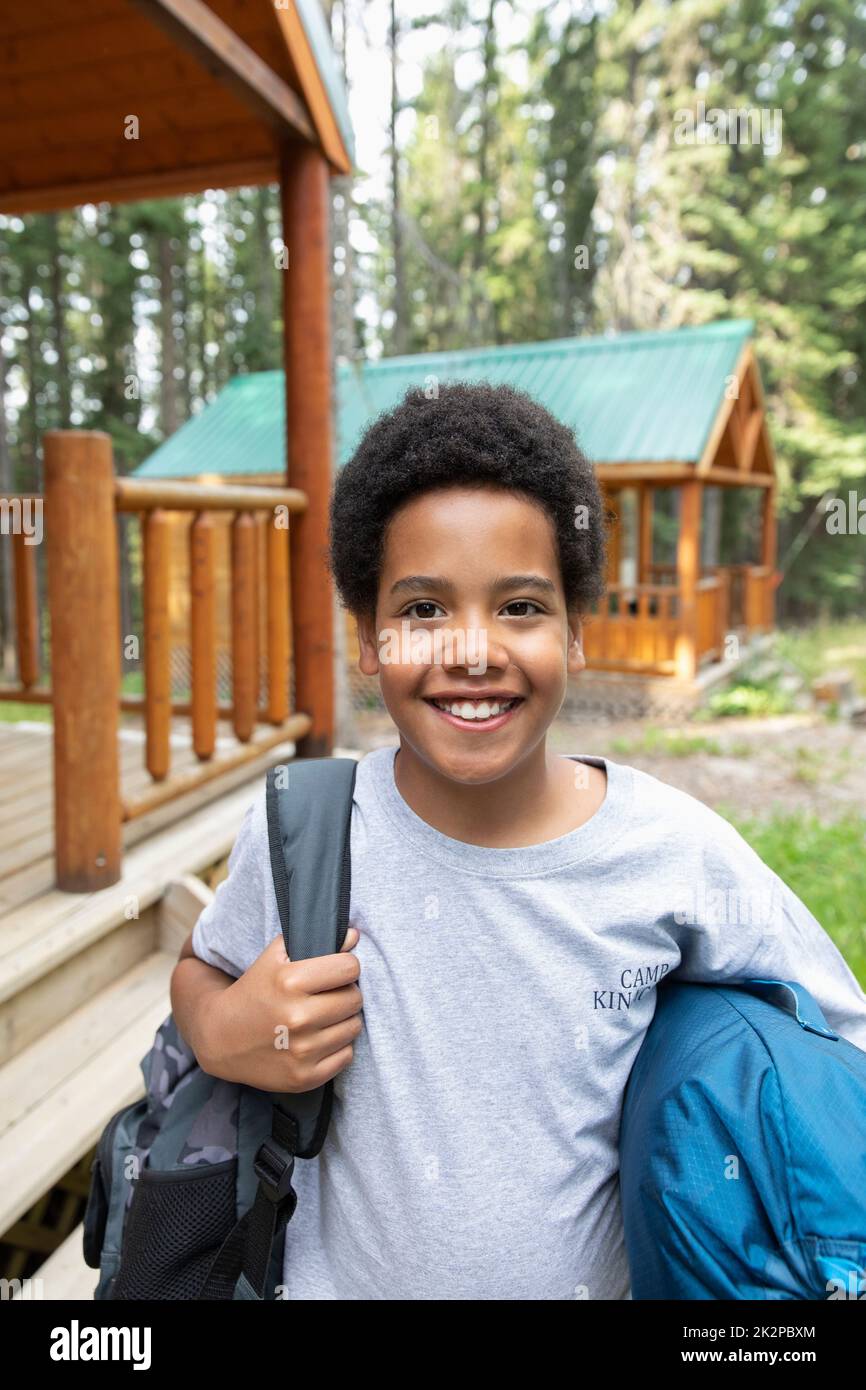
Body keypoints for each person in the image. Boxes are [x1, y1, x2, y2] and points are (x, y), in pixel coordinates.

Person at [170, 381, 866, 1301]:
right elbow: (199, 965)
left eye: (521, 607)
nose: (471, 650)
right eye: (423, 610)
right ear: (369, 639)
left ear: (576, 632)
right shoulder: (311, 826)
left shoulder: (672, 851)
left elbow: (835, 1036)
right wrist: (224, 1030)